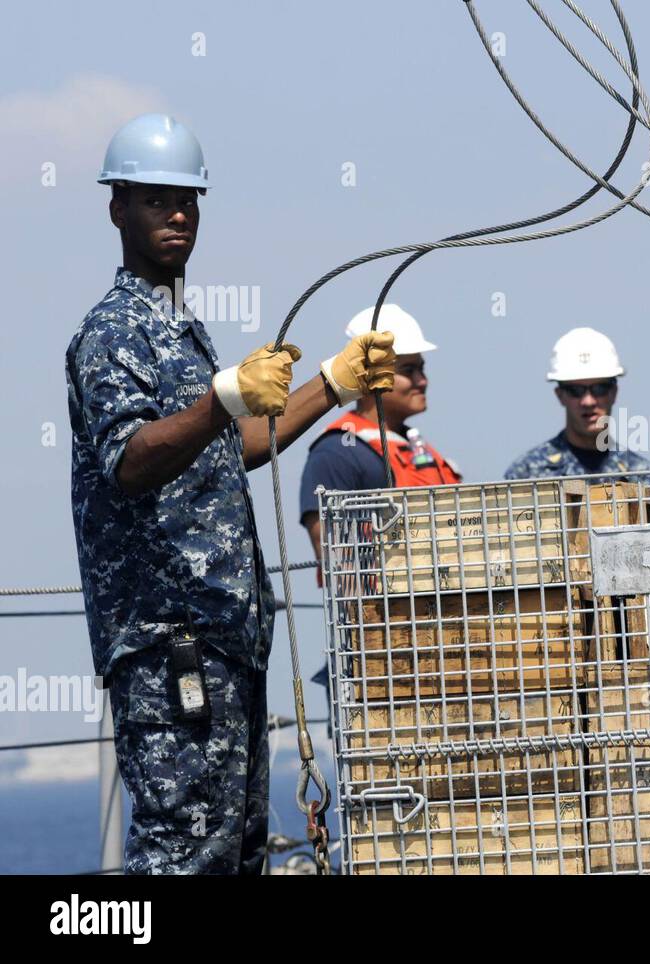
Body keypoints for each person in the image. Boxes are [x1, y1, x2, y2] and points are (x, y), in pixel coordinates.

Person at [66, 114, 396, 874]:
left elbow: (230, 448)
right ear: (118, 208)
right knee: (185, 852)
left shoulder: (181, 330)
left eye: (187, 200)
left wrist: (334, 385)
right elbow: (131, 460)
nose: (176, 215)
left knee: (234, 852)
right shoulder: (114, 333)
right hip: (168, 643)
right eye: (155, 200)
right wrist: (221, 398)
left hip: (225, 640)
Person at [299, 303, 460, 566]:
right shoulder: (338, 451)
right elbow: (331, 554)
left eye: (422, 368)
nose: (423, 380)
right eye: (409, 371)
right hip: (382, 604)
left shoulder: (419, 449)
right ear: (373, 375)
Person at [503, 326, 650, 480]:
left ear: (614, 392)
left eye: (599, 388)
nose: (588, 401)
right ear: (560, 395)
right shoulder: (526, 476)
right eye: (575, 390)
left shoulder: (643, 478)